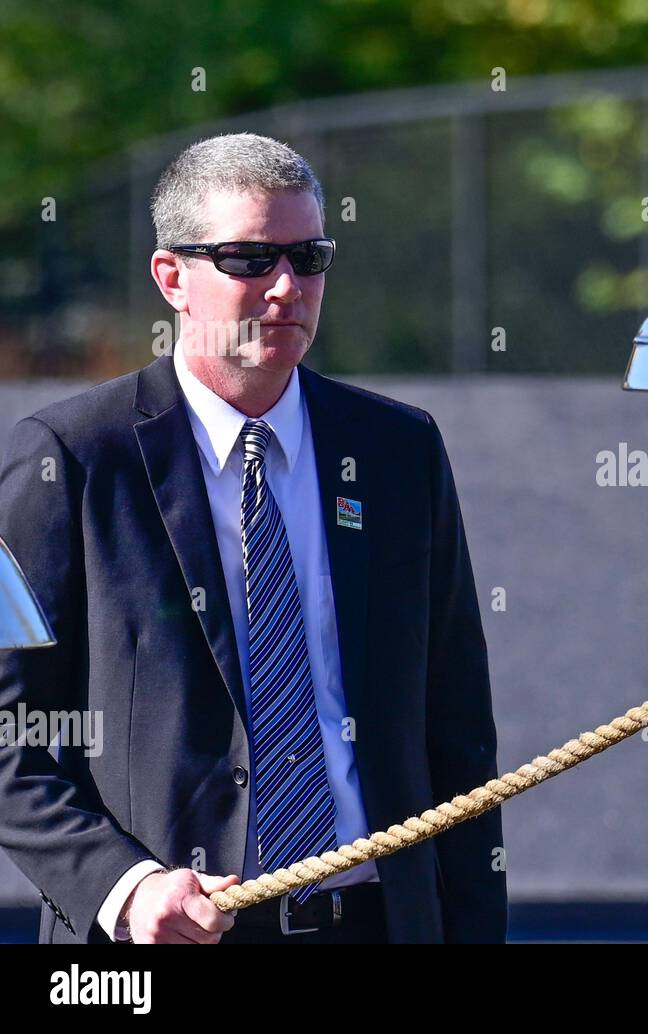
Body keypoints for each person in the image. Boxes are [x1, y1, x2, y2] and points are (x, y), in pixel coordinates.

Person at [0, 132, 506, 943]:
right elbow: (9, 736)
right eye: (249, 260)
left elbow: (456, 727)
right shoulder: (69, 459)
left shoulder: (397, 452)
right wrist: (125, 888)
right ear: (173, 278)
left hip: (378, 923)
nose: (285, 288)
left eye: (309, 258)